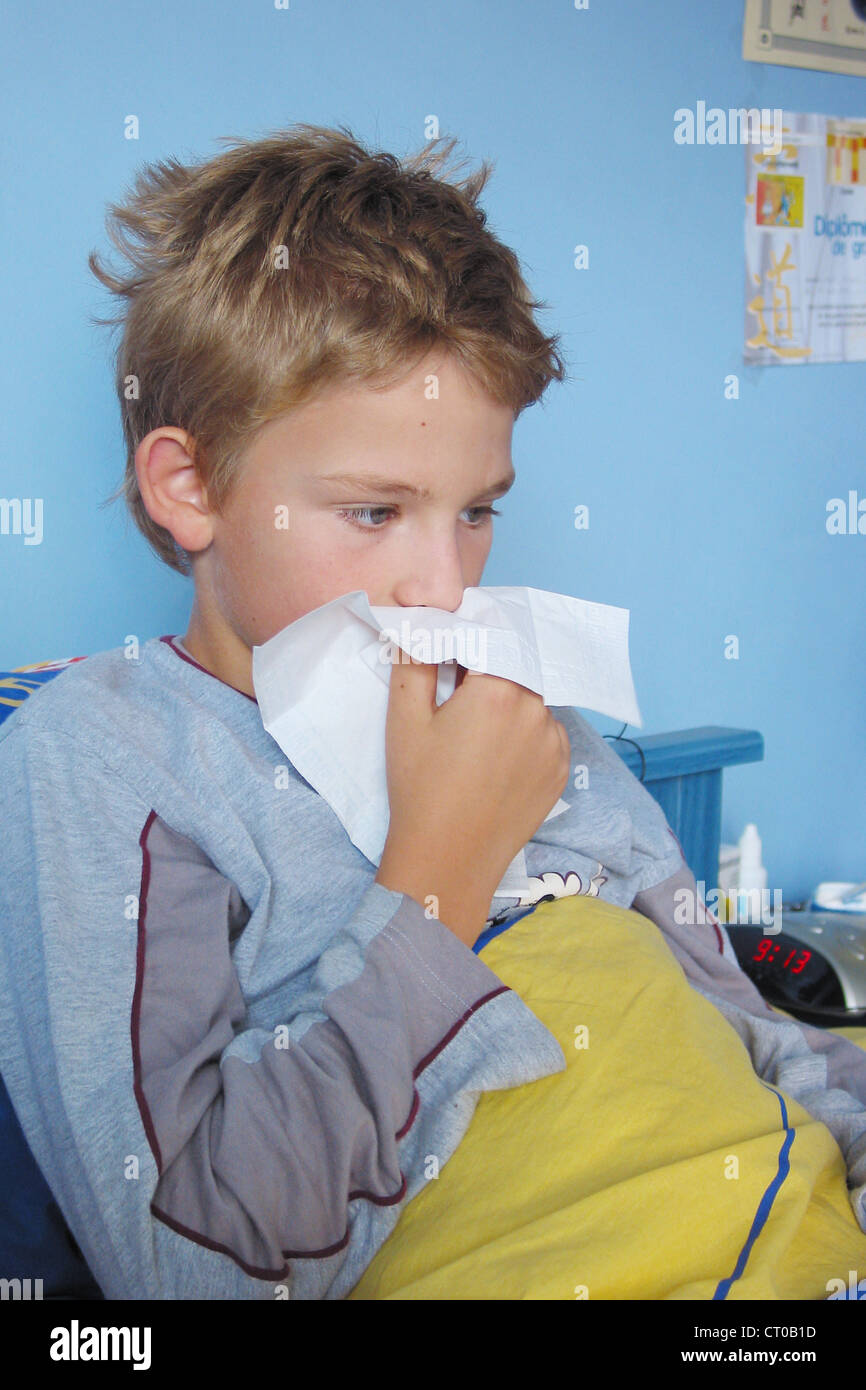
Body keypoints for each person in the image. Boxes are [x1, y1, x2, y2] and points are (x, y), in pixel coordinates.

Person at [1, 124, 865, 1300]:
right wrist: (439, 871)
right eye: (373, 513)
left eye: (474, 510)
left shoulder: (520, 718)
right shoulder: (109, 754)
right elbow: (185, 1272)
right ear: (190, 486)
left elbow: (743, 1030)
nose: (445, 587)